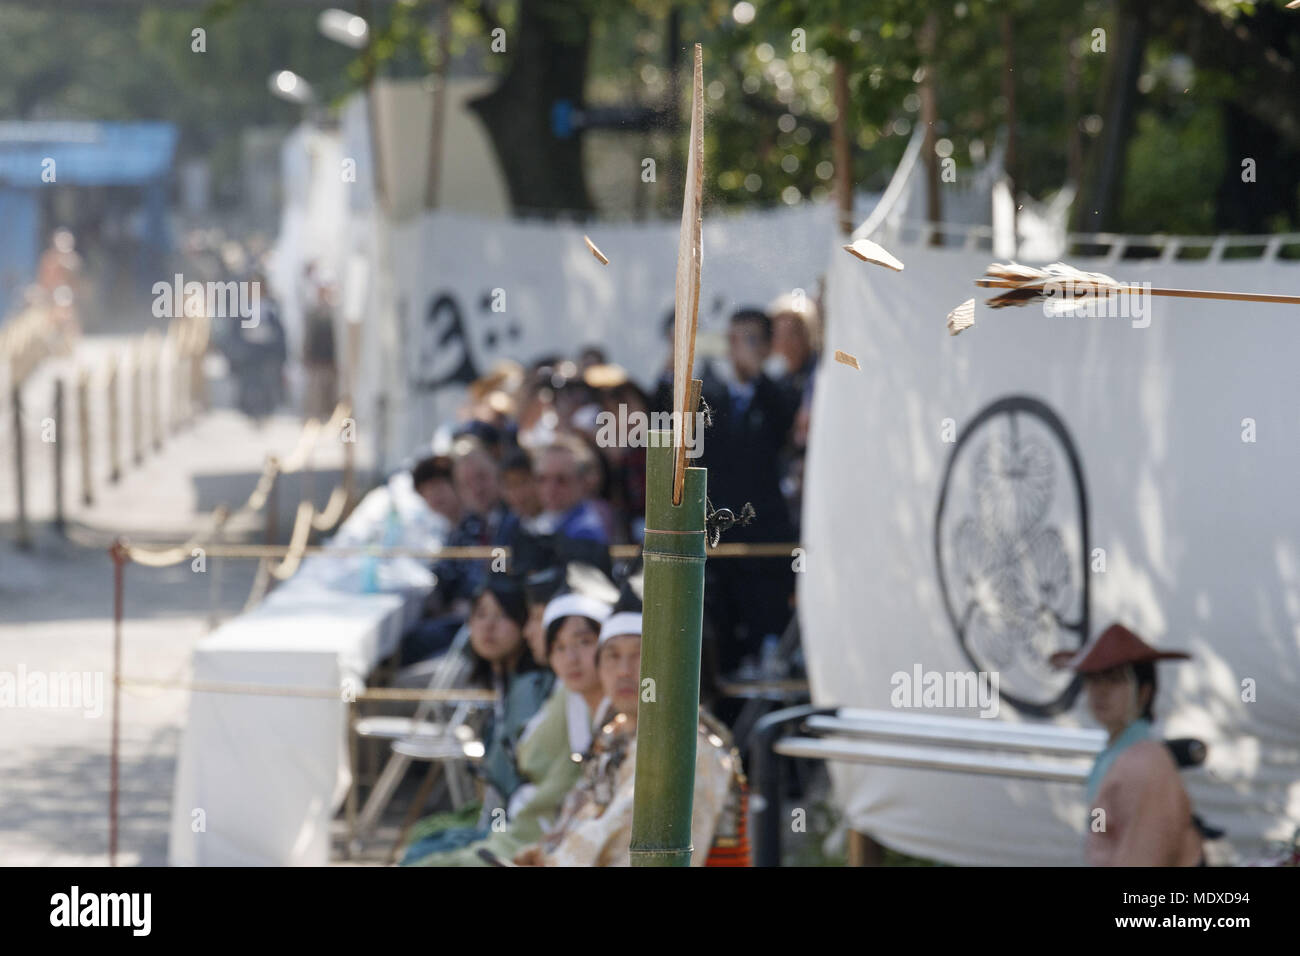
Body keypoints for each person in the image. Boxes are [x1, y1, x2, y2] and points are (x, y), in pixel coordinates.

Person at [513, 599, 742, 867]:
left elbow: (631, 851)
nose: (624, 671)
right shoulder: (613, 736)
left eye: (640, 654)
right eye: (612, 655)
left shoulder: (687, 747)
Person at [405, 575, 614, 866]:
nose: (572, 658)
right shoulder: (555, 692)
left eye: (585, 642)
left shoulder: (551, 693)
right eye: (561, 647)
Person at [399, 575, 547, 862]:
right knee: (424, 837)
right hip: (494, 820)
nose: (488, 627)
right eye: (480, 615)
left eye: (502, 615)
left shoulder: (530, 689)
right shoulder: (506, 681)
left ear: (523, 623)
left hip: (516, 830)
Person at [692, 308, 800, 680]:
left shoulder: (780, 390)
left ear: (769, 346)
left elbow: (783, 422)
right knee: (723, 629)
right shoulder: (712, 395)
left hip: (763, 532)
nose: (740, 348)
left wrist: (756, 370)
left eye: (751, 339)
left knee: (765, 623)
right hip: (720, 532)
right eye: (735, 338)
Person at [1051, 623, 1205, 867]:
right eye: (1093, 680)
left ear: (1143, 693)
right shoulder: (1119, 754)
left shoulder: (1143, 764)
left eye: (1114, 680)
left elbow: (1145, 854)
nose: (1100, 691)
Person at [532, 436, 609, 545]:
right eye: (541, 479)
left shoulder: (585, 532)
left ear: (582, 482)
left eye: (561, 480)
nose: (550, 489)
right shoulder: (540, 522)